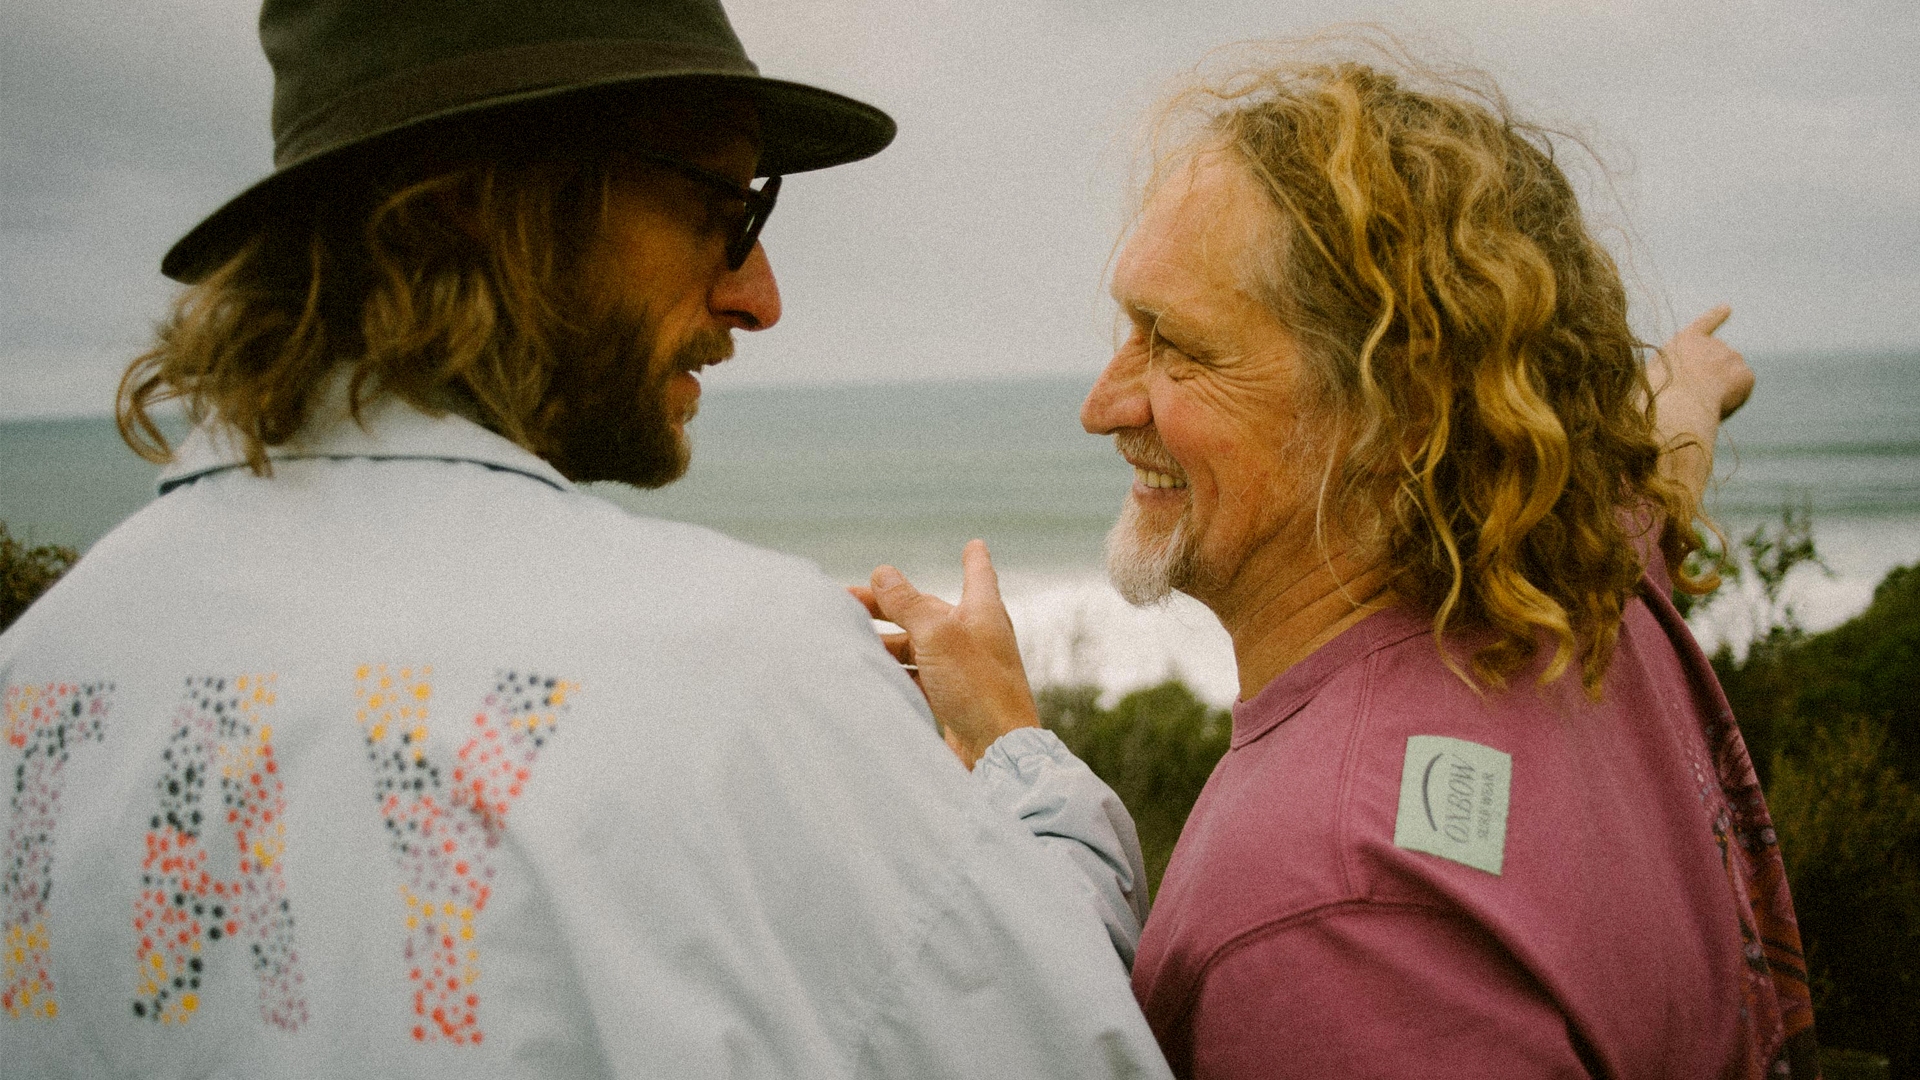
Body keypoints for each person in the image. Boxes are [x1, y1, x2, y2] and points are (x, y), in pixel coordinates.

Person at [0, 1, 1171, 1076]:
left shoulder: (36, 677)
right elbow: (1068, 1047)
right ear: (477, 194)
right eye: (723, 209)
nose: (758, 294)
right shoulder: (735, 675)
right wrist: (1024, 767)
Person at [867, 46, 1817, 1079]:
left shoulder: (1332, 924)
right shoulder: (1582, 580)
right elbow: (1654, 482)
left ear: (1396, 411)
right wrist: (1686, 393)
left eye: (1174, 343)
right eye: (1125, 327)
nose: (1102, 405)